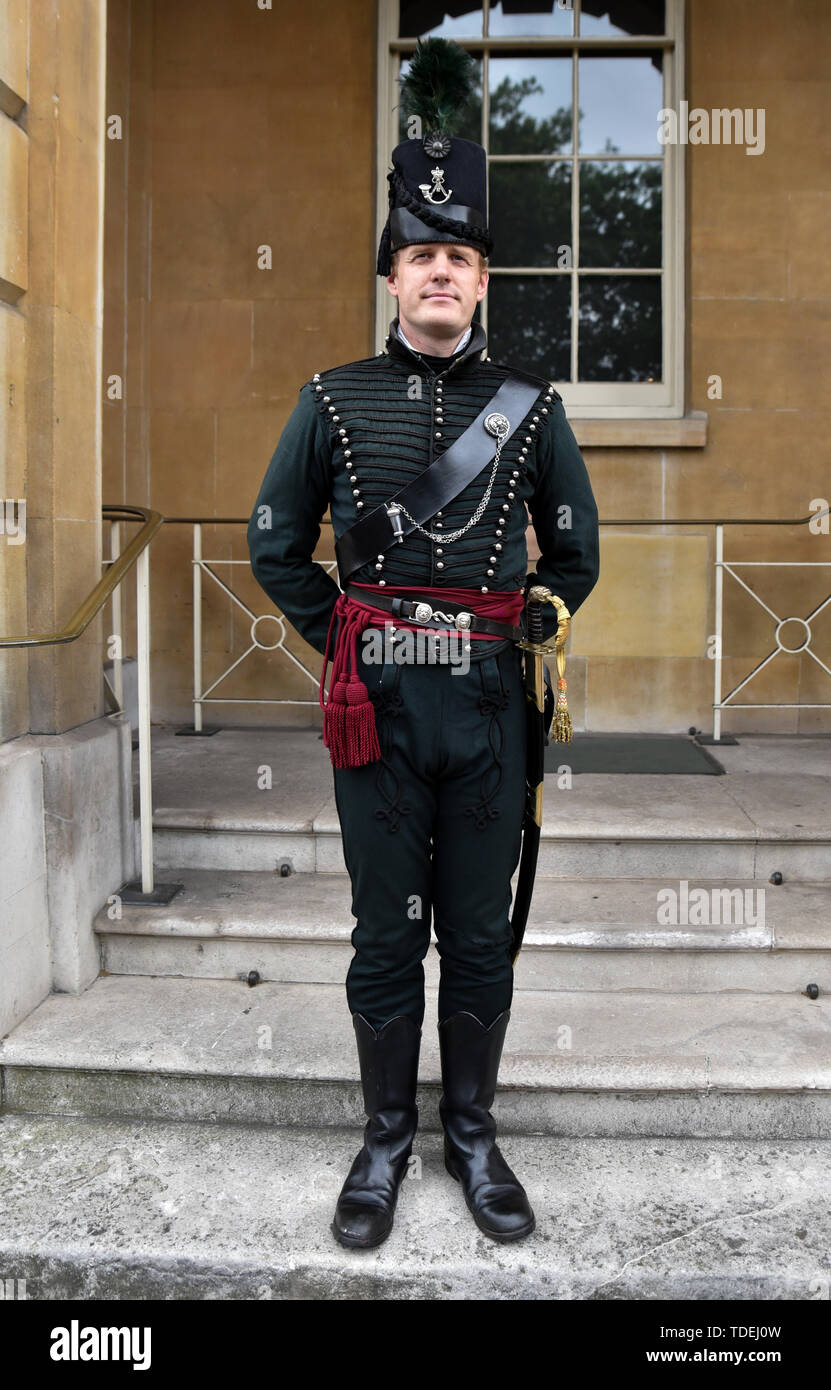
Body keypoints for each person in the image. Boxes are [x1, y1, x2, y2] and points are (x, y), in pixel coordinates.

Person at [248, 37, 599, 1250]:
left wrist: (525, 643)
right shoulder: (334, 398)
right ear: (391, 279)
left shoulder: (534, 409)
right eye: (420, 258)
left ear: (481, 282)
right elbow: (278, 545)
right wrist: (348, 643)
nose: (440, 274)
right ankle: (386, 1139)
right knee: (387, 933)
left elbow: (574, 560)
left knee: (483, 932)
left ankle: (475, 1134)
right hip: (379, 718)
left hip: (492, 718)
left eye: (459, 257)